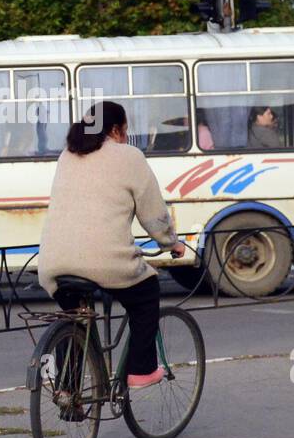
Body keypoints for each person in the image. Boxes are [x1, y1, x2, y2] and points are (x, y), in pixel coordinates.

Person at [38, 101, 186, 390]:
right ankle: (142, 370)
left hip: (54, 263)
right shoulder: (129, 156)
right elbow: (152, 212)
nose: (126, 137)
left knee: (76, 317)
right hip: (105, 261)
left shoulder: (67, 155)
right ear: (116, 130)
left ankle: (69, 392)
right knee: (146, 294)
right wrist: (171, 242)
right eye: (126, 130)